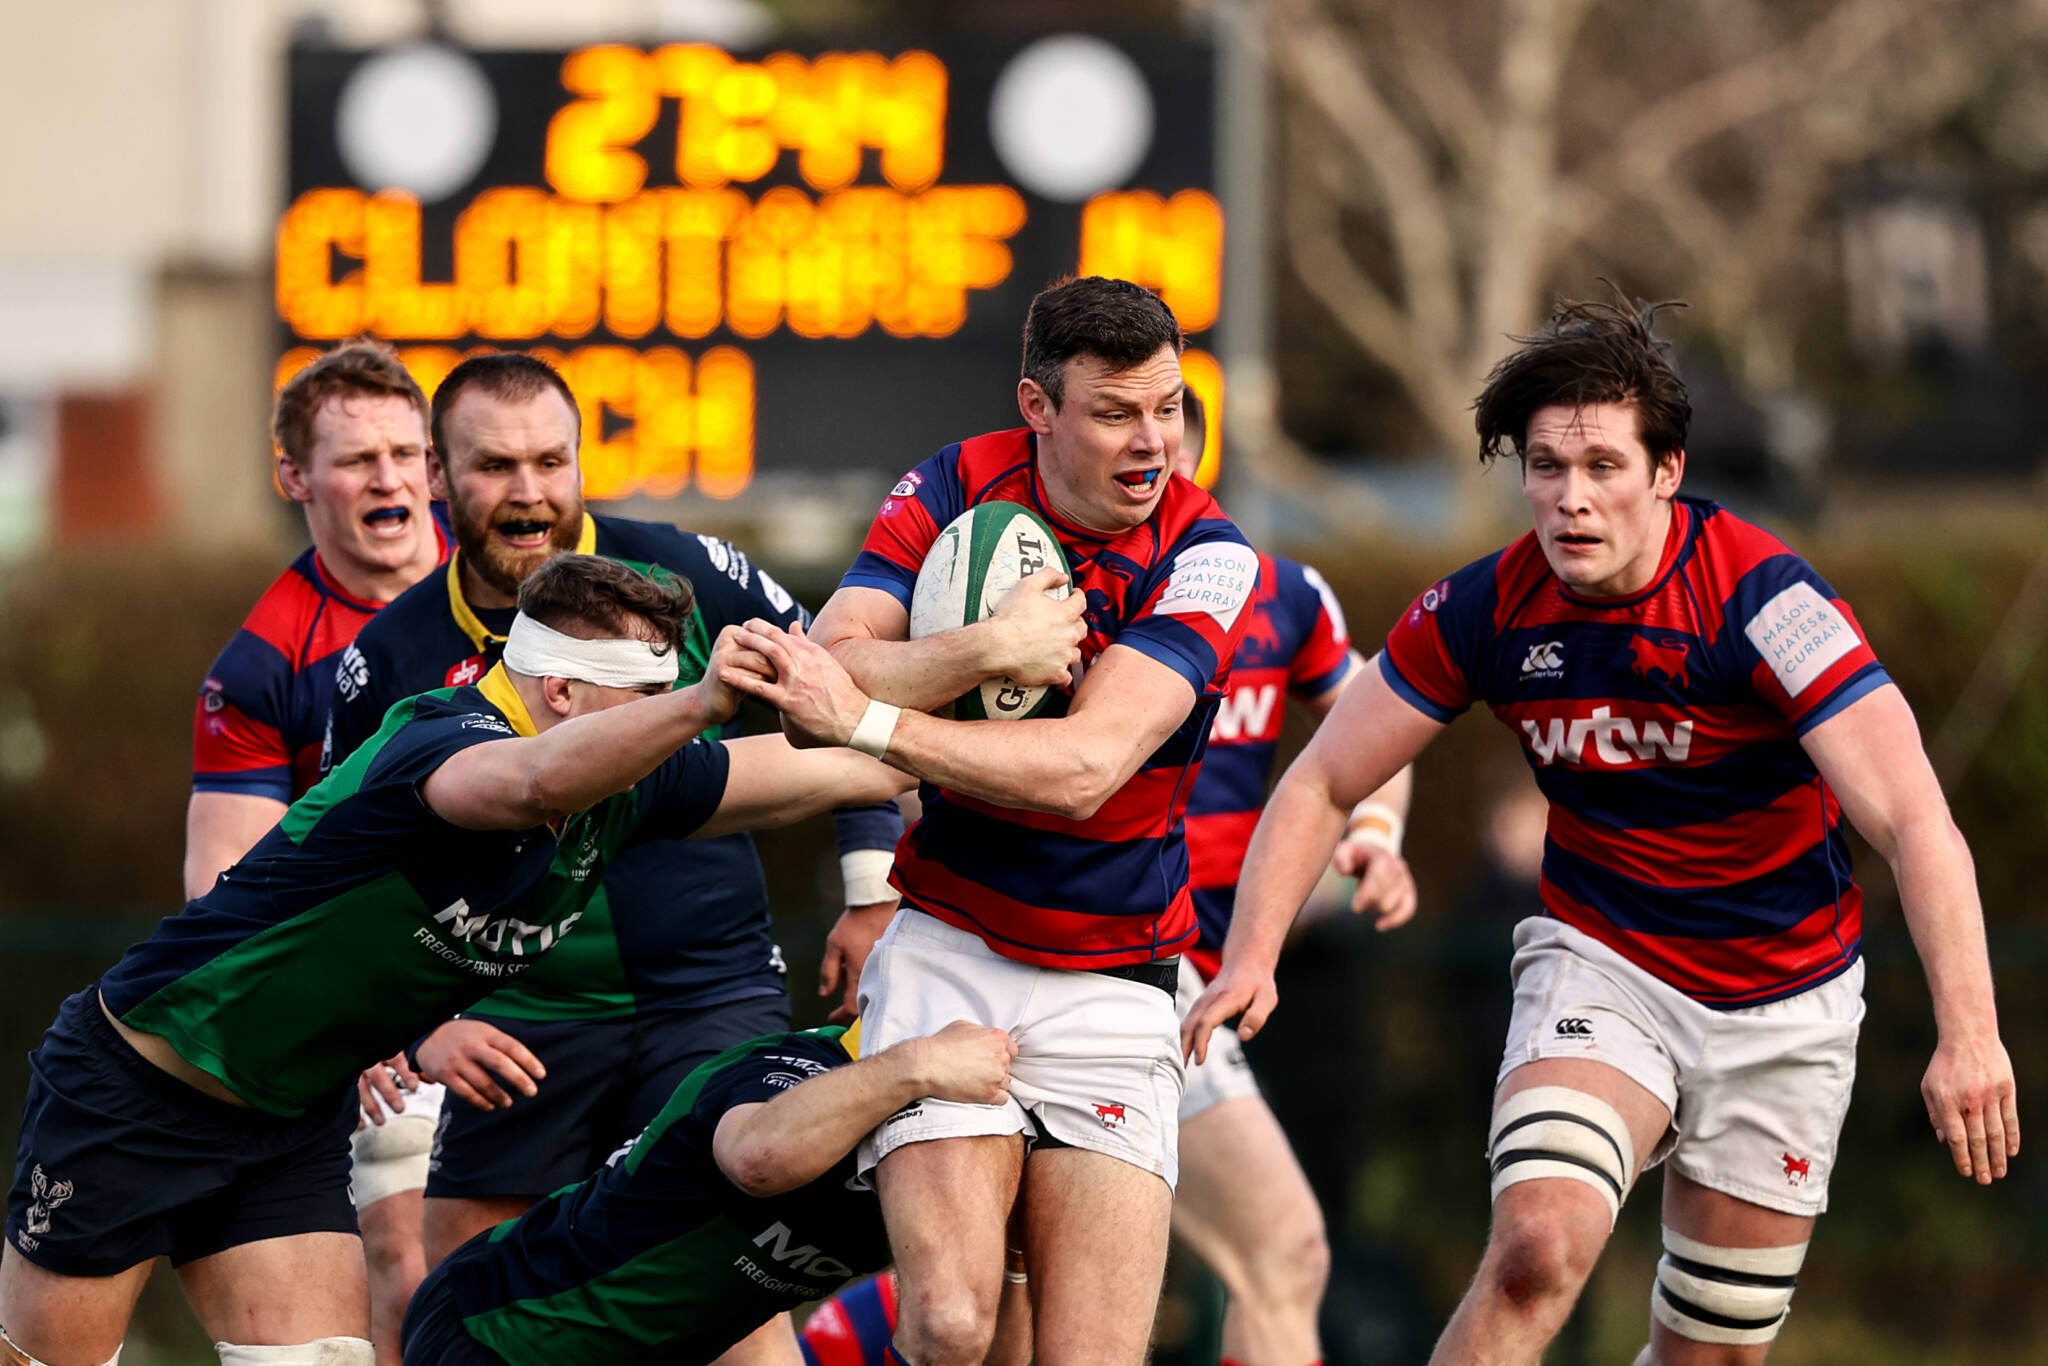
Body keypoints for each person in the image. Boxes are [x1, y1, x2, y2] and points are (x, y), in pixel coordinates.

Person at [1185, 296, 2022, 1366]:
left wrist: (1969, 1032)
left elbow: (1911, 817)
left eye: (1601, 467)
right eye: (1544, 468)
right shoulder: (1484, 607)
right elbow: (1318, 780)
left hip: (1783, 1001)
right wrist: (1249, 956)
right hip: (1603, 965)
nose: (1569, 500)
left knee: (1707, 1350)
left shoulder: (1764, 602)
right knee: (1535, 1247)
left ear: (1665, 470)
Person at [1, 554, 909, 1366]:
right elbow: (530, 782)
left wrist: (1003, 685)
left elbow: (859, 765)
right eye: (650, 704)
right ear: (562, 694)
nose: (670, 731)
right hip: (138, 1090)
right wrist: (704, 702)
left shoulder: (626, 785)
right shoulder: (444, 745)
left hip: (286, 1123)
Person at [794, 387, 1423, 1366]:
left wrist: (1376, 831)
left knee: (1267, 1253)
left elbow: (1368, 730)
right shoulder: (1019, 569)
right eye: (1124, 428)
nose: (1153, 456)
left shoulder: (1272, 590)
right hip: (1026, 952)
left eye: (1167, 432)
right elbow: (889, 740)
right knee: (973, 1307)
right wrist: (873, 878)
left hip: (1162, 980)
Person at [751, 275, 1259, 1366]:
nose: (1152, 444)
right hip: (949, 950)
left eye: (1167, 408)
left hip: (1118, 981)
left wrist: (874, 723)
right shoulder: (951, 481)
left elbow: (1082, 768)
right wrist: (982, 651)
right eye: (1115, 413)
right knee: (947, 1323)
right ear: (1037, 408)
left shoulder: (1208, 554)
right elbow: (823, 668)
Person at [321, 353, 903, 1290]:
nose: (529, 494)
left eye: (552, 463)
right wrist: (418, 1029)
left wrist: (873, 893)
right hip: (515, 1026)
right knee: (464, 1301)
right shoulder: (389, 656)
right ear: (437, 475)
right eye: (495, 467)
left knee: (717, 1296)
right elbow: (343, 881)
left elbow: (845, 704)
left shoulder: (683, 573)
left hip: (705, 990)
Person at [185, 337, 450, 1366]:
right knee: (406, 1237)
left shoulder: (518, 583)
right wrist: (352, 1013)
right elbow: (224, 886)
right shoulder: (261, 663)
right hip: (388, 984)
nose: (390, 479)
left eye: (406, 453)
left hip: (568, 958)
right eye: (356, 459)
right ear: (293, 475)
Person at [398, 1021, 1016, 1365]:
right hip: (509, 1324)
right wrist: (915, 1064)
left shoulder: (962, 1146)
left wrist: (1012, 1257)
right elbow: (757, 1158)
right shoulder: (791, 1063)